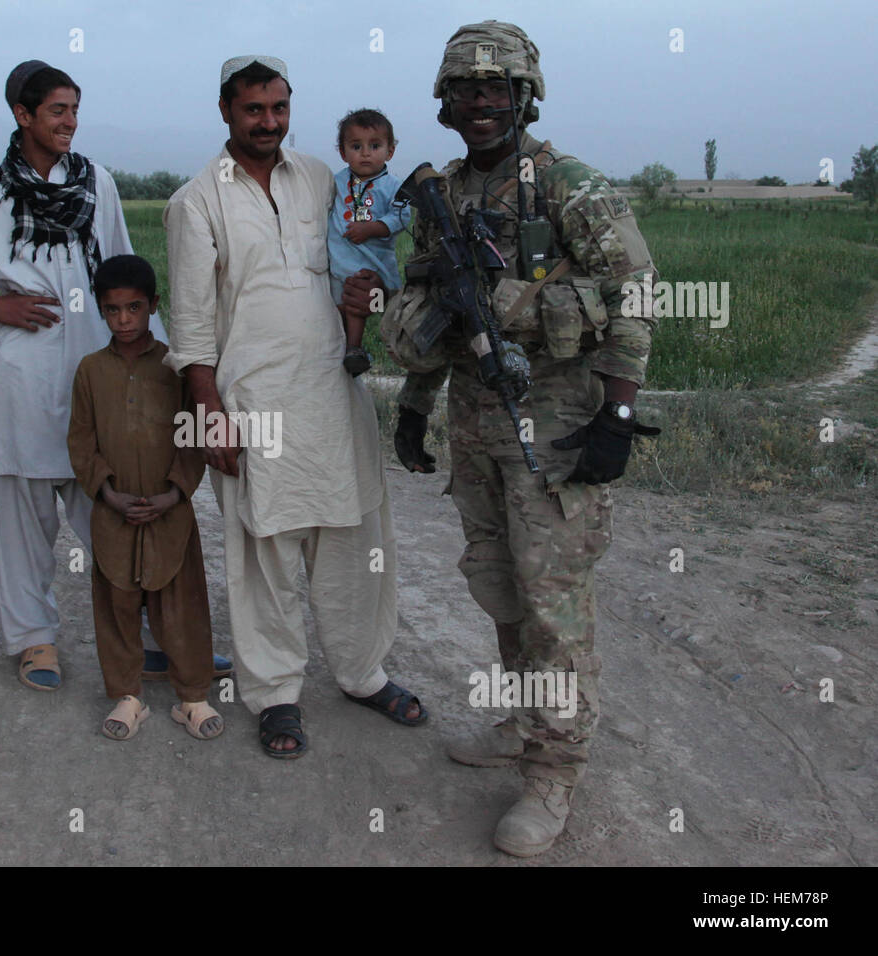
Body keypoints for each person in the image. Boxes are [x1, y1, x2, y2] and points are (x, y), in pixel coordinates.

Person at [345, 22, 660, 856]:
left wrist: (617, 416)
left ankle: (555, 772)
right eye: (464, 91)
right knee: (500, 589)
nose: (480, 104)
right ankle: (525, 724)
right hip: (479, 431)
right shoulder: (442, 194)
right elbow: (433, 307)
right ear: (443, 104)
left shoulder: (570, 185)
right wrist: (414, 406)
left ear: (525, 94)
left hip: (557, 435)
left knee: (556, 612)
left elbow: (634, 297)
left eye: (496, 89)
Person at [163, 55, 427, 759]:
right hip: (252, 403)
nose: (268, 122)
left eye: (279, 108)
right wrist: (209, 412)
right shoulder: (197, 201)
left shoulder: (321, 178)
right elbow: (190, 324)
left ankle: (362, 673)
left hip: (333, 394)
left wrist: (363, 299)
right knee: (265, 551)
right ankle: (276, 693)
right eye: (254, 109)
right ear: (226, 111)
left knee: (355, 537)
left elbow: (357, 264)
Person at [0, 62, 180, 692]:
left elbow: (123, 270)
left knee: (116, 510)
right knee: (23, 520)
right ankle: (34, 640)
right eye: (57, 110)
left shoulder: (99, 184)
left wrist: (161, 358)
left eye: (74, 110)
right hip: (24, 373)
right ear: (23, 115)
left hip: (98, 365)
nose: (69, 122)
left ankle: (150, 636)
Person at [67, 255, 222, 742]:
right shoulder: (90, 371)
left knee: (182, 604)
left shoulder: (176, 369)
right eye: (112, 311)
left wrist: (175, 492)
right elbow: (80, 440)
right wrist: (107, 492)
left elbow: (195, 434)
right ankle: (127, 695)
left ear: (154, 305)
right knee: (116, 603)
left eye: (134, 307)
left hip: (169, 511)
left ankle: (192, 697)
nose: (124, 320)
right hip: (114, 512)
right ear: (100, 311)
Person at [326, 108, 411, 377]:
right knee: (337, 306)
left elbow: (401, 215)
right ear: (342, 152)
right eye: (356, 146)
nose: (365, 153)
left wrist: (373, 228)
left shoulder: (393, 186)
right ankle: (337, 350)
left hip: (370, 261)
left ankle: (355, 349)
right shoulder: (336, 182)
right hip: (339, 257)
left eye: (374, 146)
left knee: (357, 305)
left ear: (390, 151)